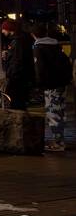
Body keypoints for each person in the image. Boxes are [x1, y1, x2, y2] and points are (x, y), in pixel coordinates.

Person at [33, 23, 71, 151]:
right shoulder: (56, 45)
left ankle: (58, 143)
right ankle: (60, 139)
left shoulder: (39, 47)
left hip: (51, 85)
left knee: (53, 113)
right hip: (62, 83)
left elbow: (40, 69)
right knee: (60, 112)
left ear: (34, 35)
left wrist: (39, 84)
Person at [0, 18, 35, 110]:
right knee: (19, 102)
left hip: (17, 78)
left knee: (16, 102)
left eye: (4, 28)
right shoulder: (19, 40)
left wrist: (11, 75)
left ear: (9, 29)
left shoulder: (17, 41)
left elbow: (17, 60)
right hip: (21, 77)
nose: (2, 31)